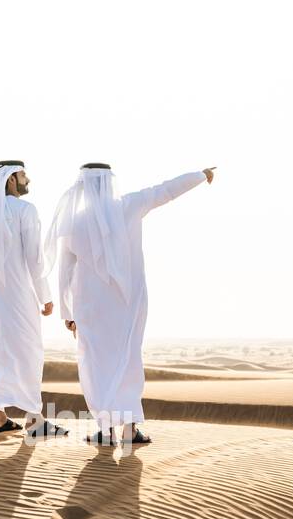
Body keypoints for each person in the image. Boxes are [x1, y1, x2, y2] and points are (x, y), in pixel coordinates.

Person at [47, 163, 214, 444]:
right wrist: (200, 176)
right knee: (127, 360)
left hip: (90, 306)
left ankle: (105, 429)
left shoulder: (74, 222)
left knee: (95, 364)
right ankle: (128, 428)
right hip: (127, 302)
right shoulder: (130, 205)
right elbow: (165, 191)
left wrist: (68, 312)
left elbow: (65, 271)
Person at [0, 160, 67, 439]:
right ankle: (34, 420)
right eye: (23, 175)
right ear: (11, 179)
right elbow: (35, 258)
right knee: (29, 351)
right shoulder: (25, 210)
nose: (28, 180)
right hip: (18, 297)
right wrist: (45, 295)